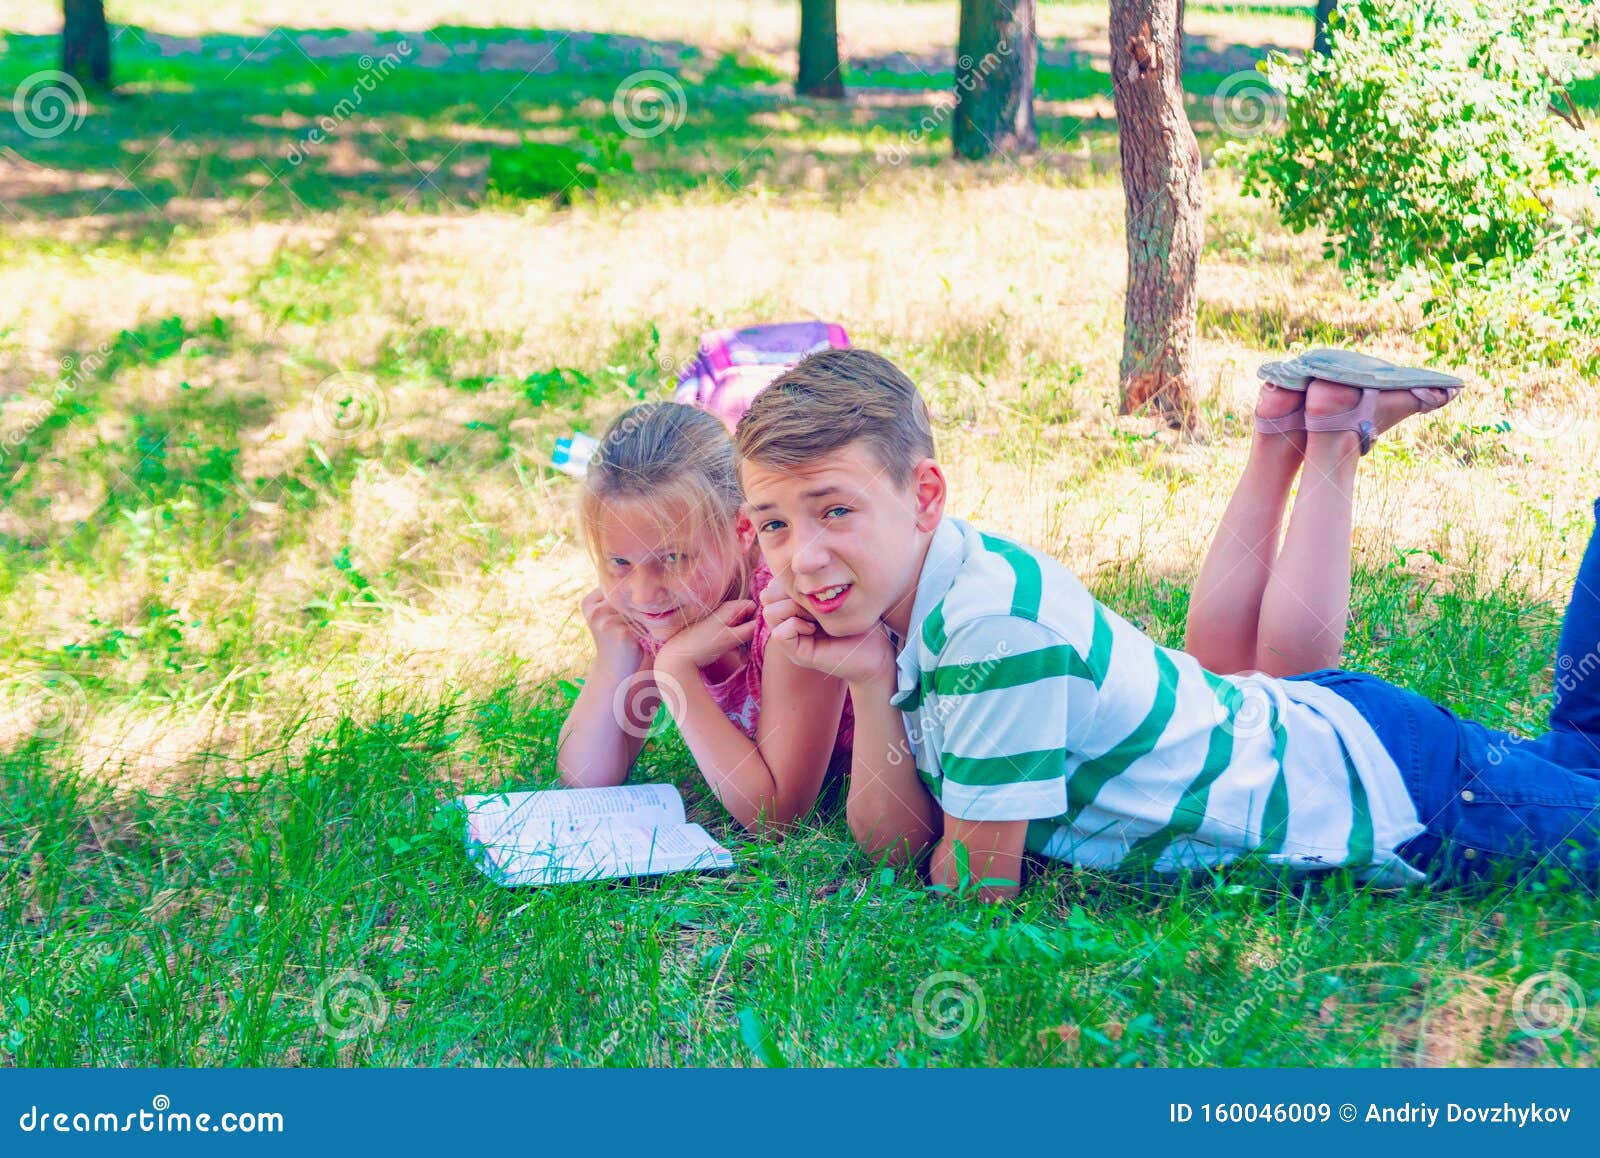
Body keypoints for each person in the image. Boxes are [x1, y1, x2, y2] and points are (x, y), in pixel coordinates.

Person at [738, 347, 1600, 899]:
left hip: (1389, 795)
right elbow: (902, 849)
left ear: (924, 496)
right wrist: (866, 679)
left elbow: (971, 891)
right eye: (774, 523)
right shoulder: (920, 586)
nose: (802, 557)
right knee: (1580, 755)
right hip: (1326, 728)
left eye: (834, 510)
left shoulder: (991, 635)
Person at [556, 401, 853, 833]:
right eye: (619, 562)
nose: (643, 592)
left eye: (674, 558)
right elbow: (587, 779)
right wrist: (612, 660)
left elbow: (777, 818)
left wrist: (675, 670)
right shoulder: (662, 607)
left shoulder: (789, 607)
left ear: (743, 529)